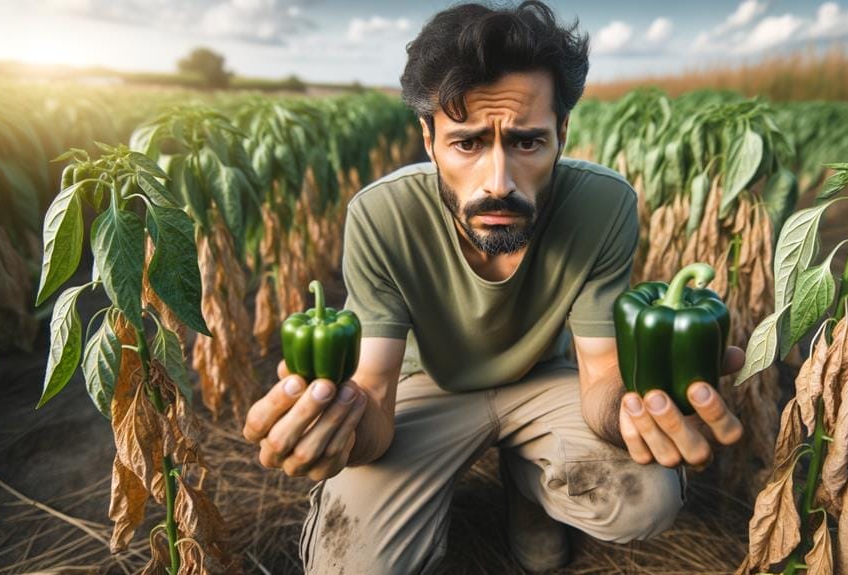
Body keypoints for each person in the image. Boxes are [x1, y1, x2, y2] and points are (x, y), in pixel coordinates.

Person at [242, 2, 745, 573]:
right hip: (425, 384)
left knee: (644, 499)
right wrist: (342, 430)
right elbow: (376, 395)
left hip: (546, 379)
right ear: (428, 138)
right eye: (468, 144)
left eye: (528, 143)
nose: (499, 182)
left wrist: (638, 407)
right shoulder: (381, 215)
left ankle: (529, 488)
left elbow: (602, 374)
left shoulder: (604, 205)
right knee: (351, 565)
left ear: (562, 133)